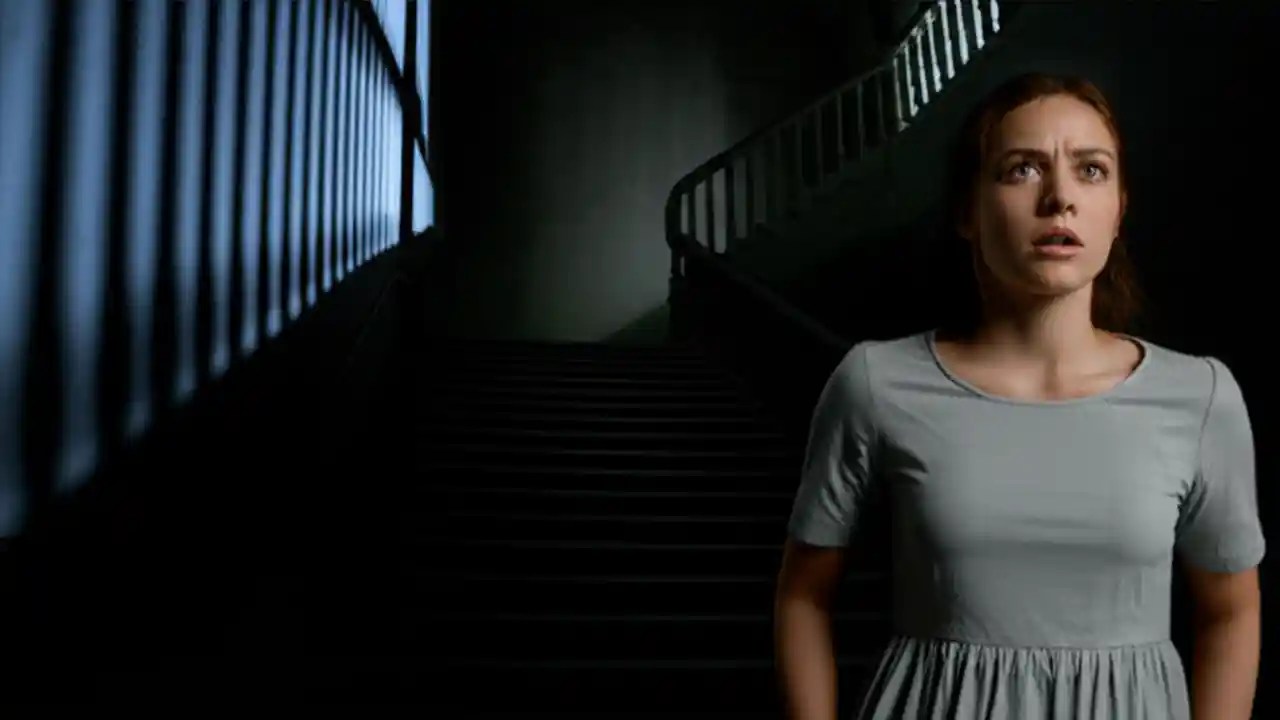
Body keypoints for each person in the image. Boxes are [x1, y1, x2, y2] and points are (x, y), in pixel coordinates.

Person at [774, 72, 1265, 719]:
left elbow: (1231, 611)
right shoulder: (876, 383)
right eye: (1022, 170)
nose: (1060, 198)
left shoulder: (1200, 396)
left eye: (1091, 171)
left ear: (1119, 208)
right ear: (967, 211)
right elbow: (803, 596)